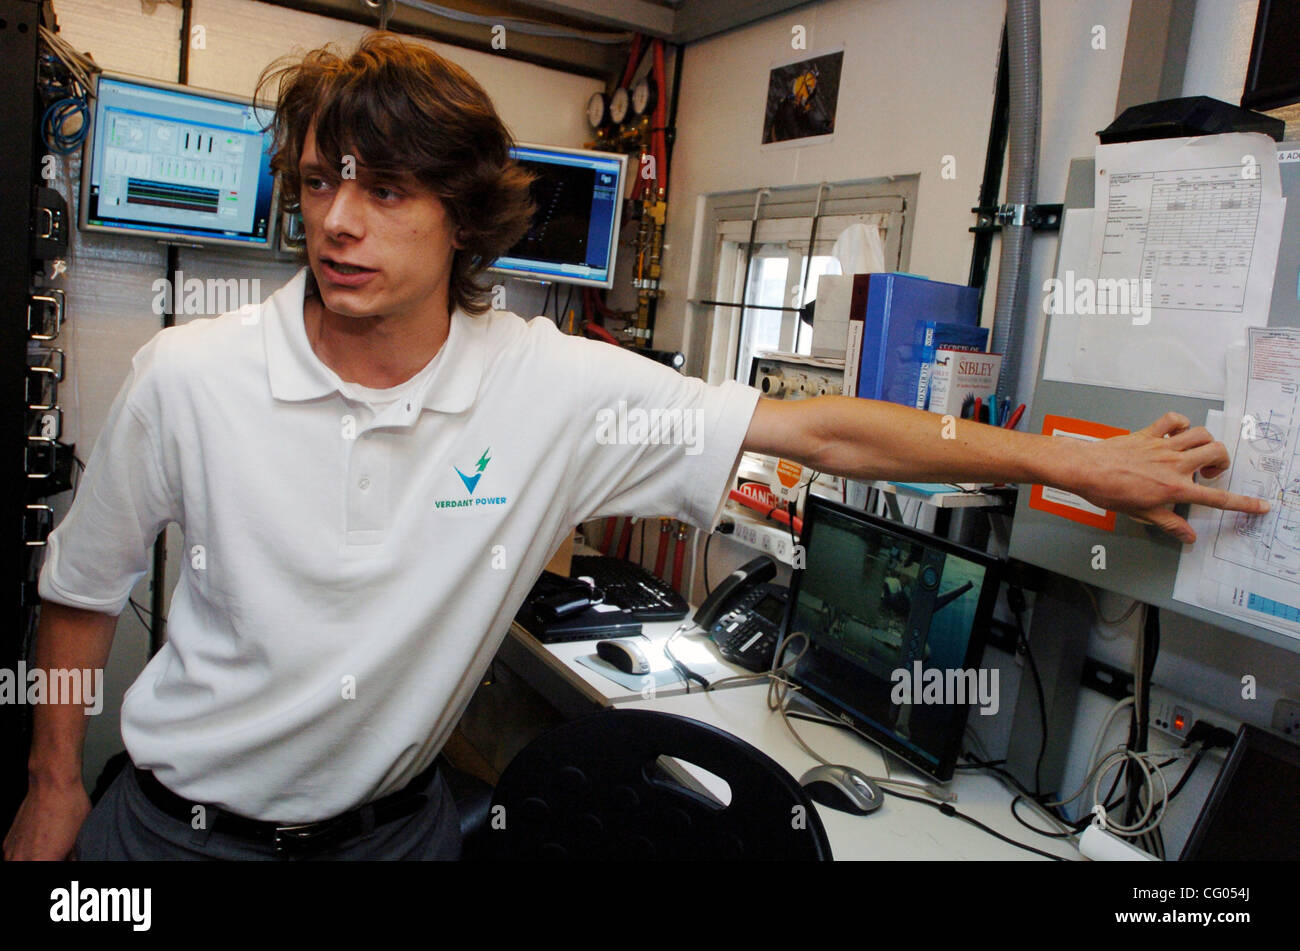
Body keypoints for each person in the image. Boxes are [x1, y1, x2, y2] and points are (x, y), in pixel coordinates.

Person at [3, 33, 1267, 861]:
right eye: (323, 180)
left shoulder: (547, 386)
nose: (338, 220)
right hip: (161, 840)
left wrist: (1067, 460)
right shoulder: (189, 376)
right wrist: (56, 782)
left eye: (385, 190)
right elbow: (78, 589)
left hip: (392, 841)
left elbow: (818, 426)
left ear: (462, 219)